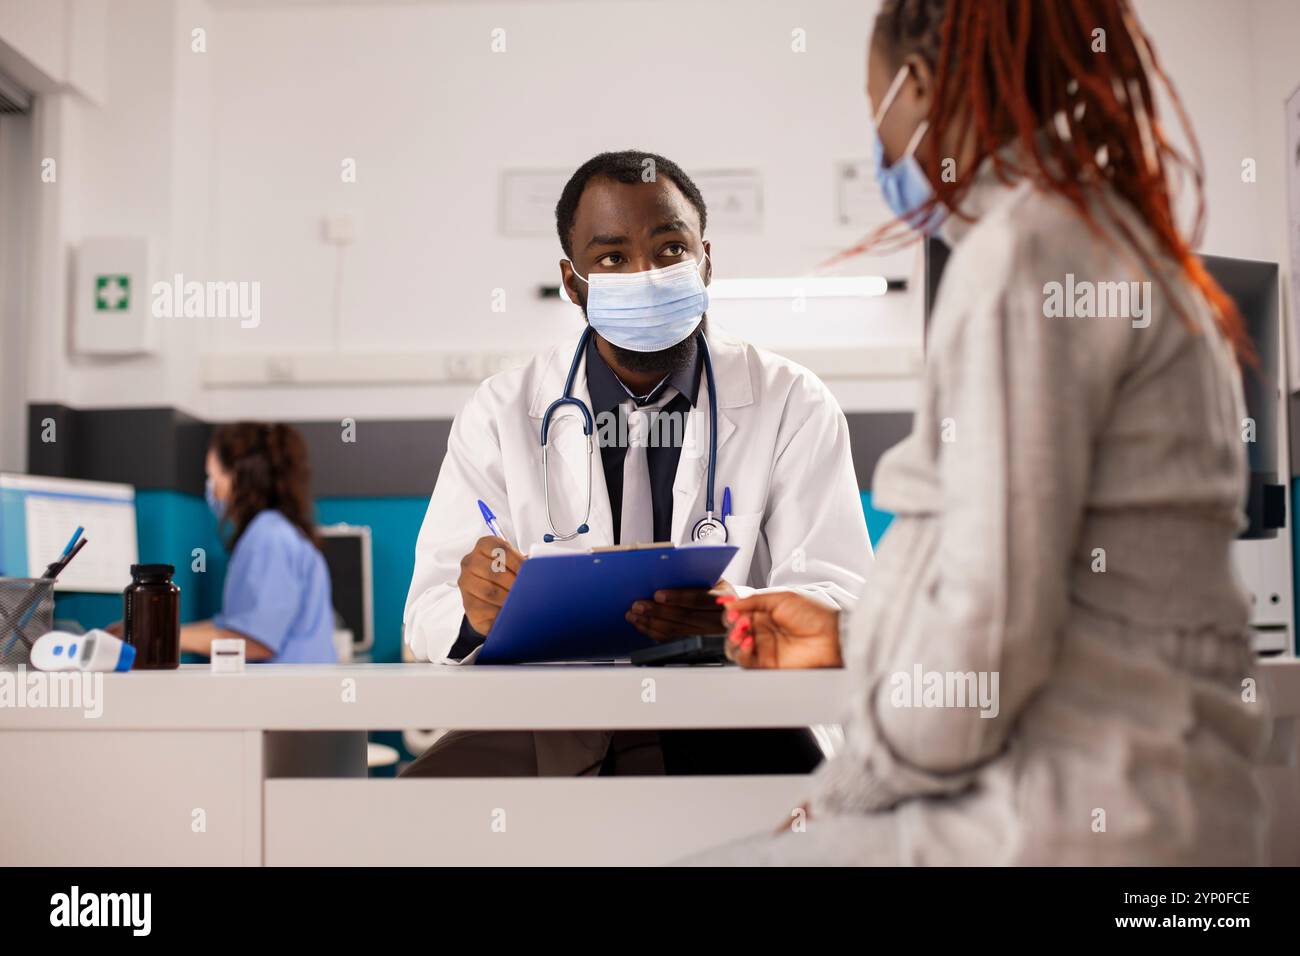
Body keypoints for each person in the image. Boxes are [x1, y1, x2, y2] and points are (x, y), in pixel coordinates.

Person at [694, 0, 1266, 865]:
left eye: (876, 105)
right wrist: (856, 641)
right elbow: (1044, 593)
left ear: (917, 88)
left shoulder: (1025, 255)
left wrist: (843, 799)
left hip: (1065, 821)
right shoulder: (1110, 237)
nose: (882, 151)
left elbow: (988, 634)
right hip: (1154, 809)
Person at [402, 149, 873, 776]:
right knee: (414, 808)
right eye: (613, 258)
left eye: (671, 249)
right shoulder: (501, 411)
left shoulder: (793, 402)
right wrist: (475, 611)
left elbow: (842, 593)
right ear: (574, 283)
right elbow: (430, 607)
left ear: (706, 261)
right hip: (555, 721)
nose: (647, 274)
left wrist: (738, 612)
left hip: (735, 720)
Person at [179, 422, 336, 664]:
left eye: (213, 477)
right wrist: (159, 630)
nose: (213, 490)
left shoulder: (269, 538)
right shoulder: (278, 531)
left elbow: (255, 641)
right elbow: (236, 624)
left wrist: (161, 638)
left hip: (286, 695)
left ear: (237, 477)